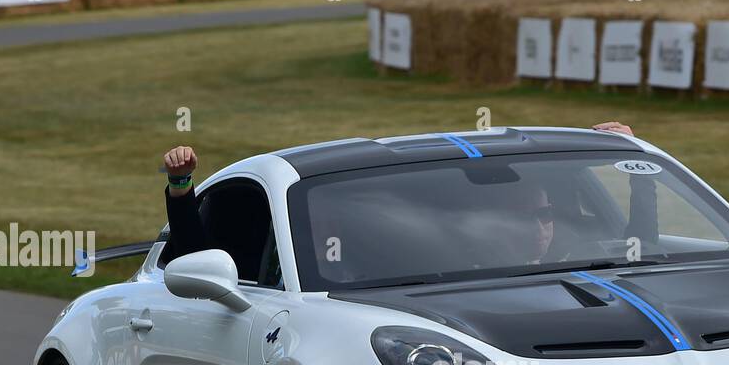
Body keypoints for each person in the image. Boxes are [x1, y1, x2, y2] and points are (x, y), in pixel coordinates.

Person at [159, 121, 648, 268]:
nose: (541, 226)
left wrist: (633, 165)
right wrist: (182, 192)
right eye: (524, 218)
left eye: (545, 213)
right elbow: (197, 261)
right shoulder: (400, 266)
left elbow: (642, 249)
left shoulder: (584, 258)